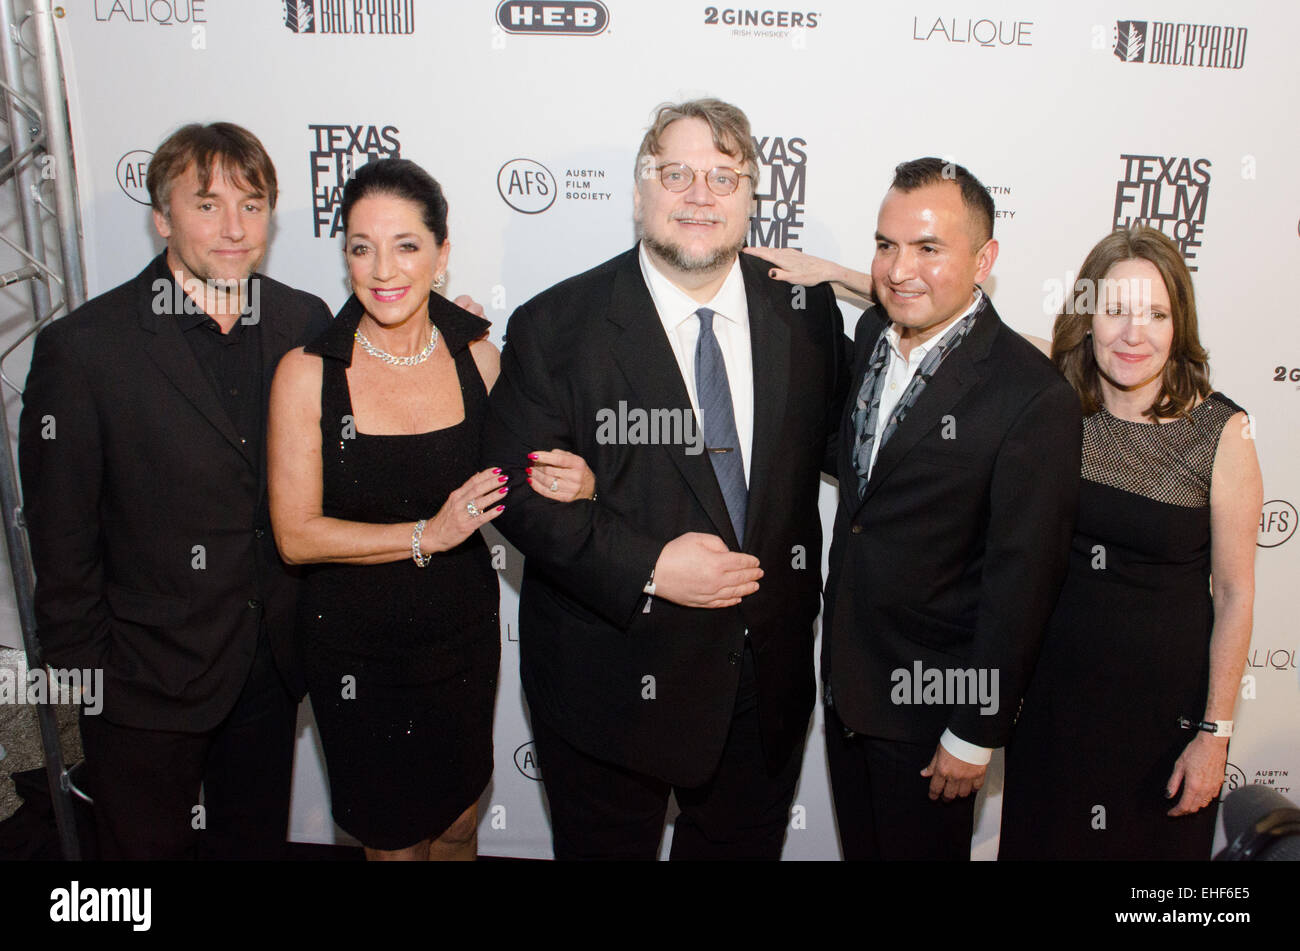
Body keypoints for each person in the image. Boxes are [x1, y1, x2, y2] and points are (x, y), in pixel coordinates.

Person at [481, 98, 849, 860]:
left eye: (724, 176)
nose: (699, 194)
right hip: (609, 686)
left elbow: (867, 445)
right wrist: (647, 564)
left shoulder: (806, 314)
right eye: (675, 172)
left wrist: (867, 282)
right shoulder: (559, 325)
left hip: (762, 691)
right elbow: (513, 490)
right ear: (640, 190)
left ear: (752, 198)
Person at [18, 122, 333, 859]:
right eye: (207, 204)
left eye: (252, 206)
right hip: (142, 684)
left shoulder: (303, 320)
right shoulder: (86, 349)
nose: (234, 228)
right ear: (162, 217)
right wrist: (98, 689)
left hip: (268, 667)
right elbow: (61, 546)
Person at [267, 158, 576, 861]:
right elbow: (295, 535)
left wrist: (578, 478)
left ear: (441, 253)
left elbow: (526, 481)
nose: (383, 269)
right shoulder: (309, 372)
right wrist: (425, 534)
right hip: (357, 654)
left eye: (406, 245)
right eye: (360, 246)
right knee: (396, 844)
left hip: (460, 638)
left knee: (461, 822)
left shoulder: (480, 359)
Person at [817, 158, 1082, 860]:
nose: (899, 269)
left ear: (984, 258)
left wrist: (977, 728)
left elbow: (1022, 584)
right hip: (848, 688)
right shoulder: (874, 336)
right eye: (885, 244)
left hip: (934, 715)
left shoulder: (1033, 398)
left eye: (929, 248)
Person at [999, 227, 1262, 860]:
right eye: (1114, 311)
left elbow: (1233, 595)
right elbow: (952, 319)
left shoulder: (1223, 433)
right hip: (1052, 714)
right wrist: (838, 275)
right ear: (1087, 319)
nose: (1133, 333)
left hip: (1162, 732)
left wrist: (1214, 735)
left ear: (1180, 324)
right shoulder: (1058, 399)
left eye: (1155, 314)